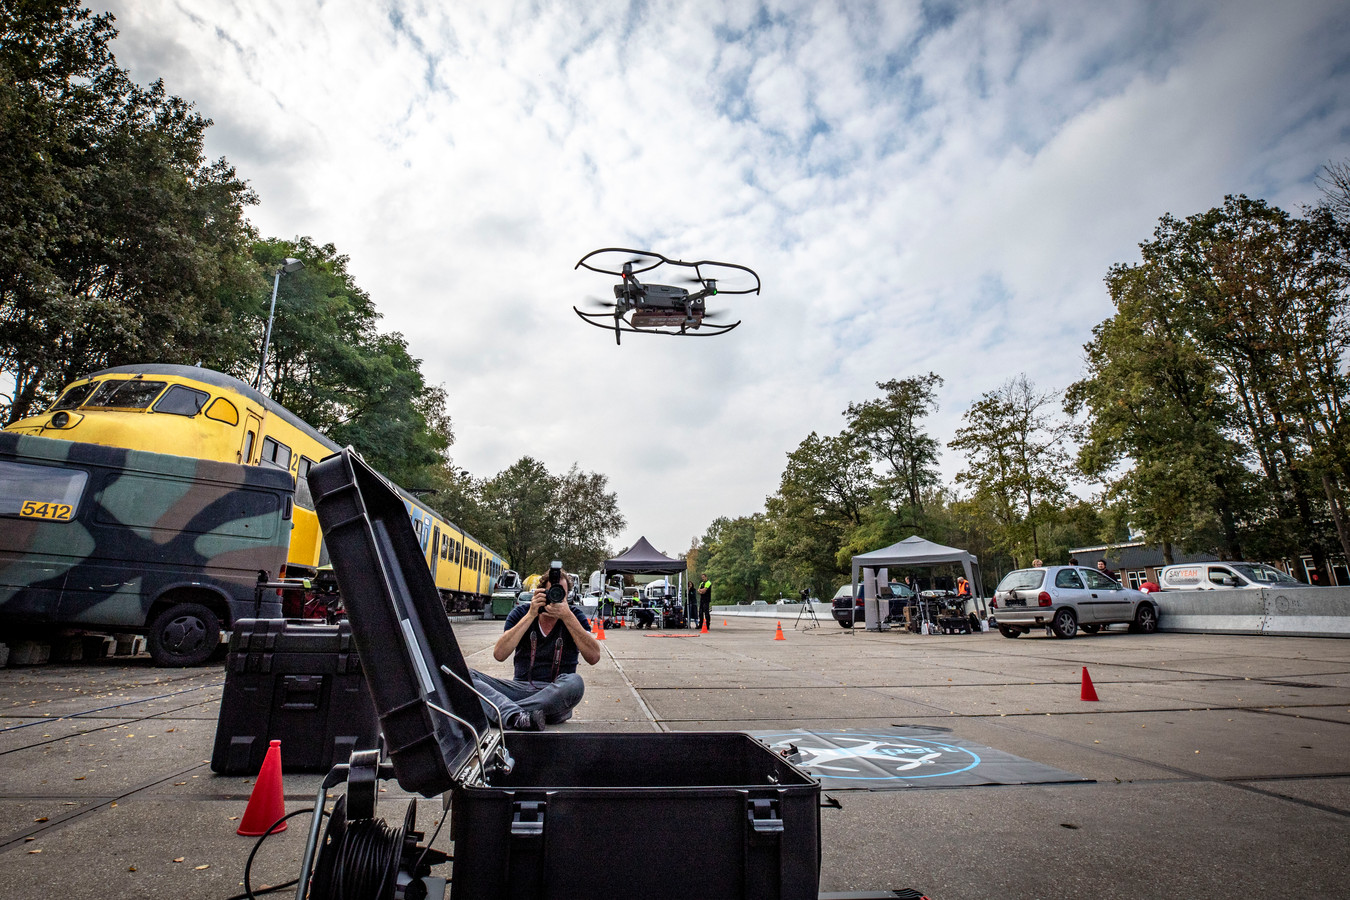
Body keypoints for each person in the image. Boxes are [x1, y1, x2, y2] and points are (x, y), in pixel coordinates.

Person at [471, 569, 600, 731]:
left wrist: (567, 617)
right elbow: (499, 654)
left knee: (575, 683)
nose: (555, 597)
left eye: (561, 594)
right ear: (540, 592)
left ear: (568, 596)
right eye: (551, 592)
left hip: (556, 696)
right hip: (520, 688)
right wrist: (531, 614)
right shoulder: (522, 613)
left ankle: (507, 712)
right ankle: (519, 716)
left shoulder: (575, 616)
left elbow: (594, 656)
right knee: (465, 674)